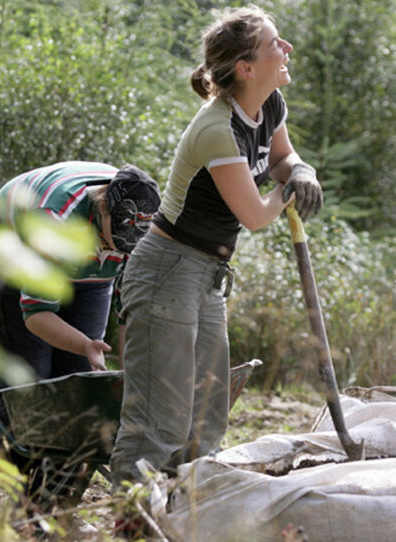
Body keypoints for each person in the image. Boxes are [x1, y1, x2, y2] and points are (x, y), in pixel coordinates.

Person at [110, 6, 323, 486]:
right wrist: (288, 190)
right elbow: (255, 215)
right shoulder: (216, 129)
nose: (286, 49)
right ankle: (130, 523)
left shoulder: (268, 105)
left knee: (206, 416)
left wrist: (301, 170)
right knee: (159, 421)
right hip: (168, 269)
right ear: (245, 68)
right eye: (275, 44)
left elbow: (283, 156)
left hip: (207, 277)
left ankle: (186, 518)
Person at [0, 161, 160, 508]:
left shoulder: (144, 227)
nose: (121, 248)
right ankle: (24, 500)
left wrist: (126, 372)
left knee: (79, 382)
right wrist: (84, 343)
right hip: (10, 255)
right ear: (103, 206)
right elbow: (35, 315)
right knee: (29, 382)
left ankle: (58, 504)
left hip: (87, 270)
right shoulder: (56, 220)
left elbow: (129, 307)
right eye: (115, 238)